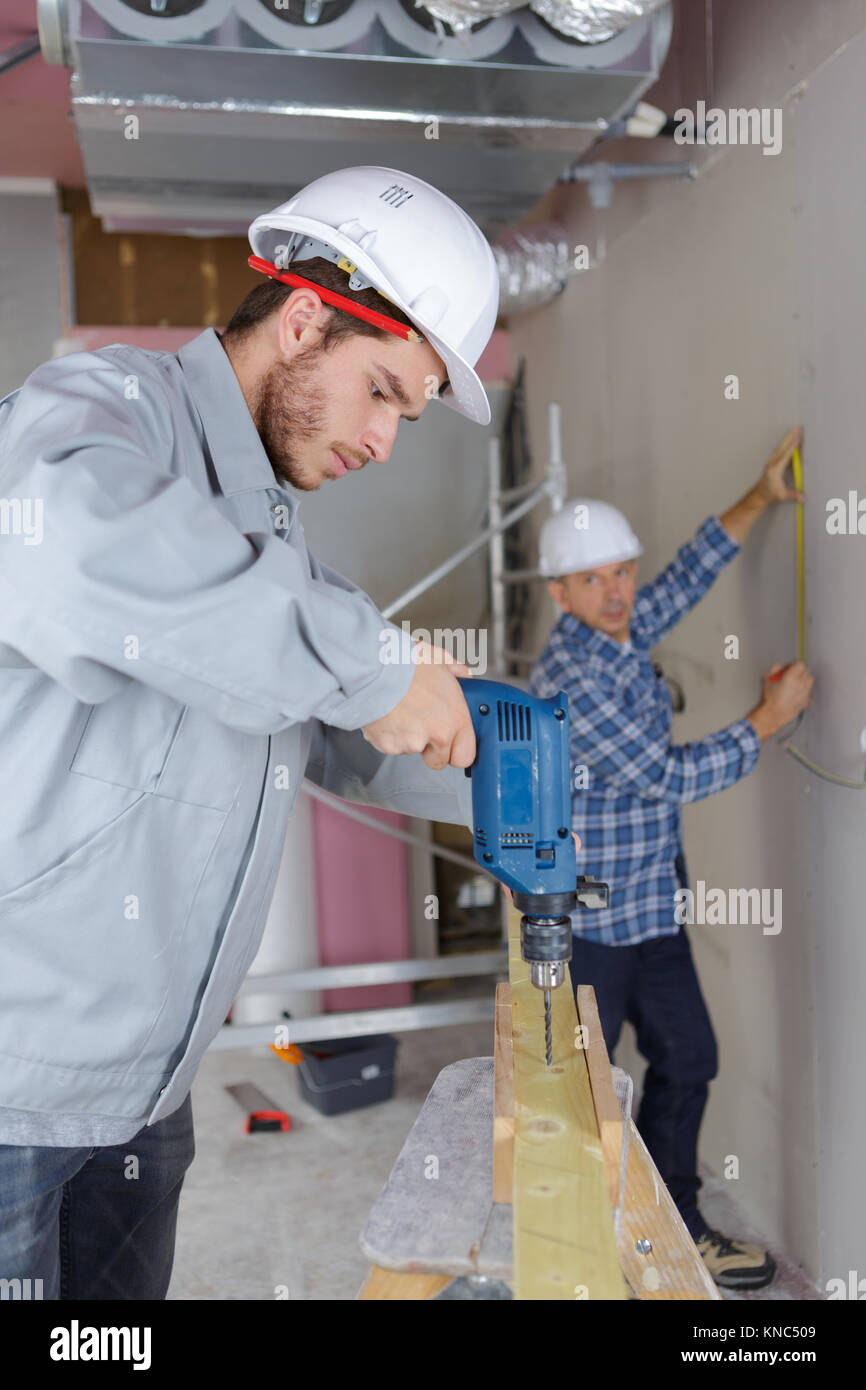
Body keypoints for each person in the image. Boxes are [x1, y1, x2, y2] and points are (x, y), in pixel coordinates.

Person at [0, 166, 499, 1299]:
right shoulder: (104, 411)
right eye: (381, 392)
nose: (383, 439)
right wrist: (371, 664)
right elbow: (65, 547)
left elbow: (324, 723)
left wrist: (499, 770)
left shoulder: (264, 544)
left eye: (403, 415)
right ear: (308, 315)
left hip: (146, 1096)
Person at [528, 428, 814, 1290]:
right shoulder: (572, 675)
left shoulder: (614, 633)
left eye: (621, 572)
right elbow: (661, 776)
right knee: (580, 1095)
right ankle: (576, 1250)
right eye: (594, 580)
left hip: (652, 904)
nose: (618, 593)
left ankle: (668, 1224)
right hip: (593, 921)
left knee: (689, 1059)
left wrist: (760, 495)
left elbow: (684, 578)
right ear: (559, 593)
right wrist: (770, 718)